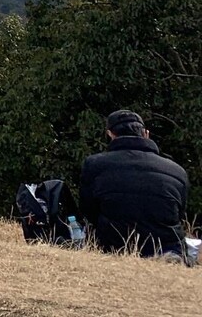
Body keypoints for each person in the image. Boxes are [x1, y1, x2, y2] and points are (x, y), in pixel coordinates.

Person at [79, 109, 190, 258]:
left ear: (110, 134)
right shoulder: (177, 171)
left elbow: (88, 210)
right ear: (146, 133)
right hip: (167, 249)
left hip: (113, 246)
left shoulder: (94, 164)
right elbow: (179, 214)